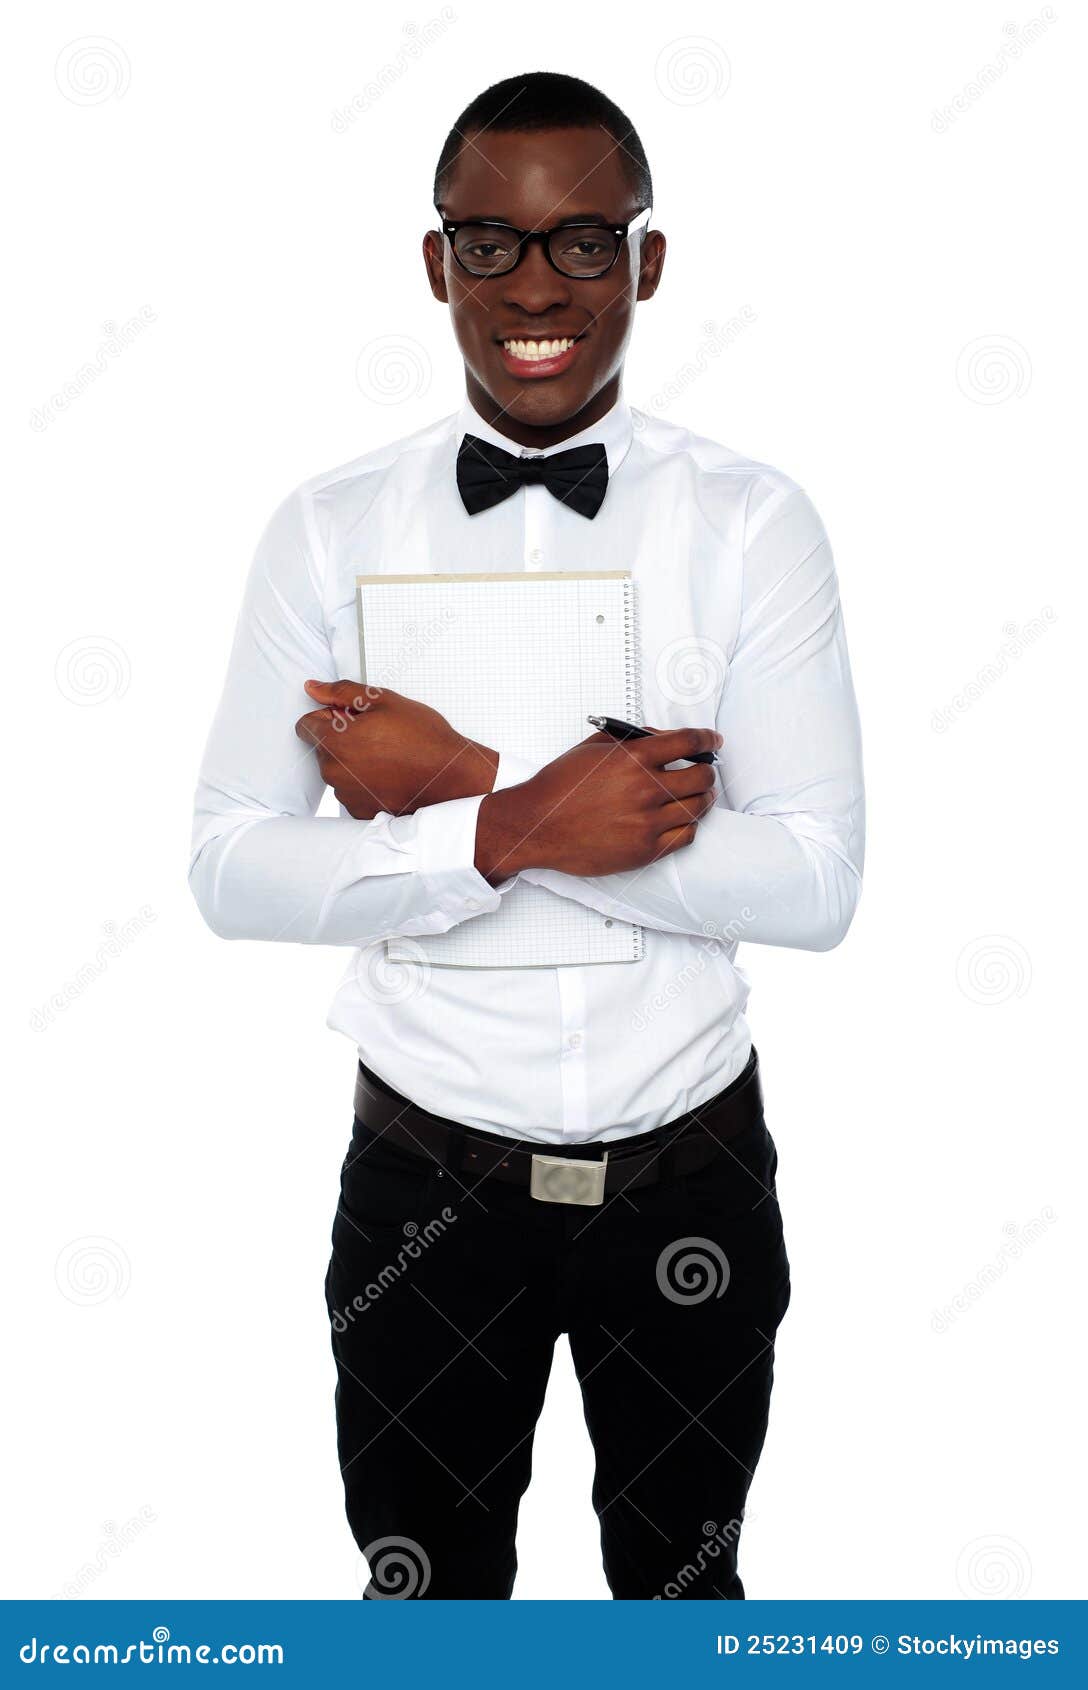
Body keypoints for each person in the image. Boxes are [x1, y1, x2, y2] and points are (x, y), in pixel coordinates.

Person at [189, 71, 865, 1600]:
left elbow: (817, 882)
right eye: (490, 243)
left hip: (688, 1166)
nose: (537, 287)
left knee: (684, 1612)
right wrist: (505, 824)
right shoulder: (327, 527)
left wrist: (466, 778)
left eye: (584, 240)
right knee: (426, 1614)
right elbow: (230, 862)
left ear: (648, 258)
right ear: (438, 263)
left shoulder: (753, 523)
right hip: (424, 1177)